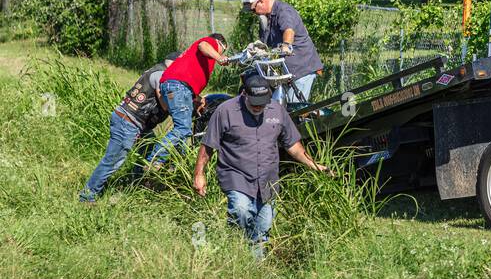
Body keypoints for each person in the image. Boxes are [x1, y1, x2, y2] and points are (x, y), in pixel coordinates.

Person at [194, 72, 327, 253]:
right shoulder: (225, 111)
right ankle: (235, 249)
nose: (259, 107)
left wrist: (314, 165)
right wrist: (199, 174)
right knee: (241, 210)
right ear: (245, 95)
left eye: (263, 103)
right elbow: (208, 146)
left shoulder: (277, 111)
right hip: (236, 174)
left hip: (268, 180)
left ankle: (255, 268)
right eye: (255, 103)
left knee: (263, 228)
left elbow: (293, 145)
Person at [79, 51, 182, 202]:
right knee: (113, 161)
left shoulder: (156, 70)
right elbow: (165, 103)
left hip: (132, 120)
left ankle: (136, 183)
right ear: (175, 62)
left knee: (149, 147)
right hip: (129, 121)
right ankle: (87, 196)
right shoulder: (162, 76)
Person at [145, 33, 228, 166]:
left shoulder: (195, 58)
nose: (222, 53)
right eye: (223, 50)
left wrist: (196, 98)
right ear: (219, 43)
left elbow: (188, 77)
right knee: (183, 128)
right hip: (178, 87)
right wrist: (220, 57)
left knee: (184, 131)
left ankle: (177, 165)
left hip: (176, 87)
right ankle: (154, 162)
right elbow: (203, 45)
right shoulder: (210, 42)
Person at [243, 0, 323, 109]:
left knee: (294, 110)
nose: (254, 13)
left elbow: (289, 31)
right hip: (285, 71)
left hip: (301, 68)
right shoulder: (266, 18)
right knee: (279, 107)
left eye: (253, 9)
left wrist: (286, 46)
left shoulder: (283, 11)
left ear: (261, 1)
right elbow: (266, 44)